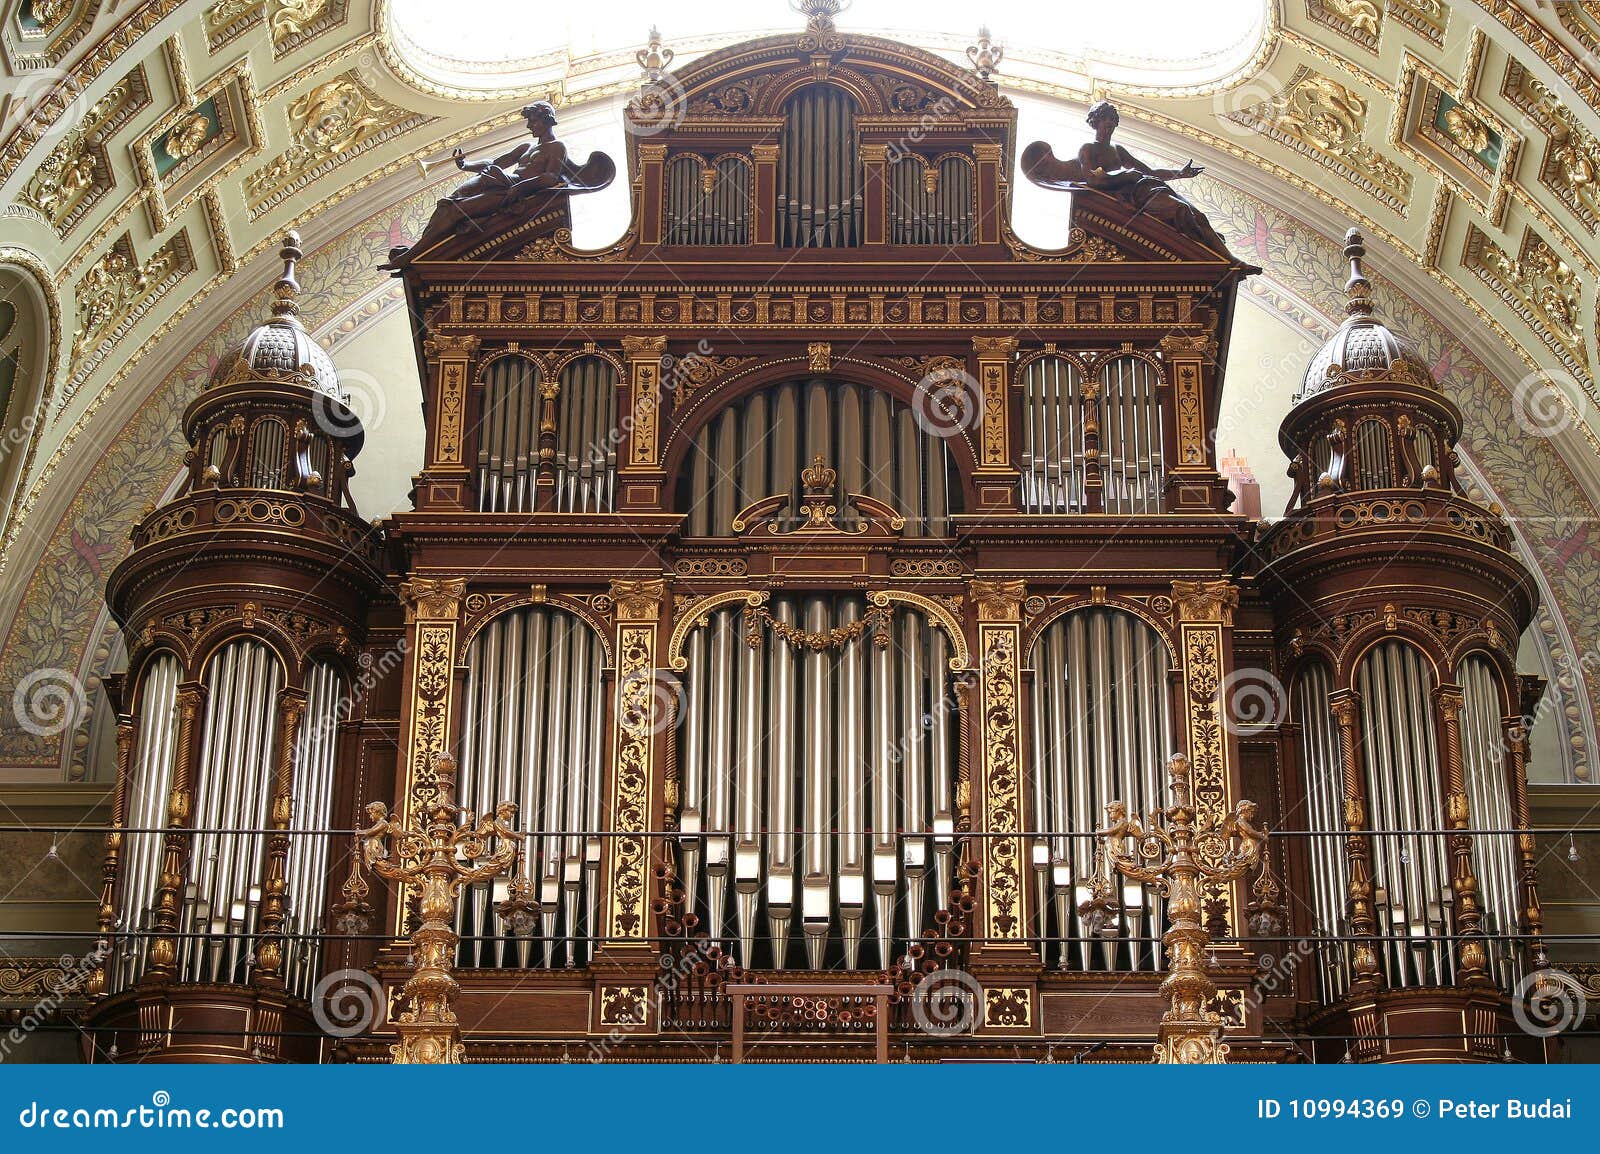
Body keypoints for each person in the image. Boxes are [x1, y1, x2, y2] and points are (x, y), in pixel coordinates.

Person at [1027, 101, 1231, 253]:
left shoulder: (1118, 151)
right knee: (1181, 210)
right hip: (1129, 197)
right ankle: (1201, 249)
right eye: (1105, 122)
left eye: (1112, 122)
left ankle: (1227, 260)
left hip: (1143, 188)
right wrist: (1124, 176)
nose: (1109, 126)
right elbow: (1093, 180)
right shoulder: (1087, 149)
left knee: (1199, 216)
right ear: (1096, 123)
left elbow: (1148, 171)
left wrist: (1179, 173)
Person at [392, 102, 574, 260]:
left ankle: (413, 256)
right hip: (500, 181)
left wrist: (520, 187)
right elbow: (496, 163)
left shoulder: (557, 147)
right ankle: (420, 250)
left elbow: (550, 177)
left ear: (547, 120)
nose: (529, 126)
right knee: (446, 204)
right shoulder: (527, 147)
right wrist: (466, 165)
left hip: (511, 190)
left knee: (456, 211)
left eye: (533, 121)